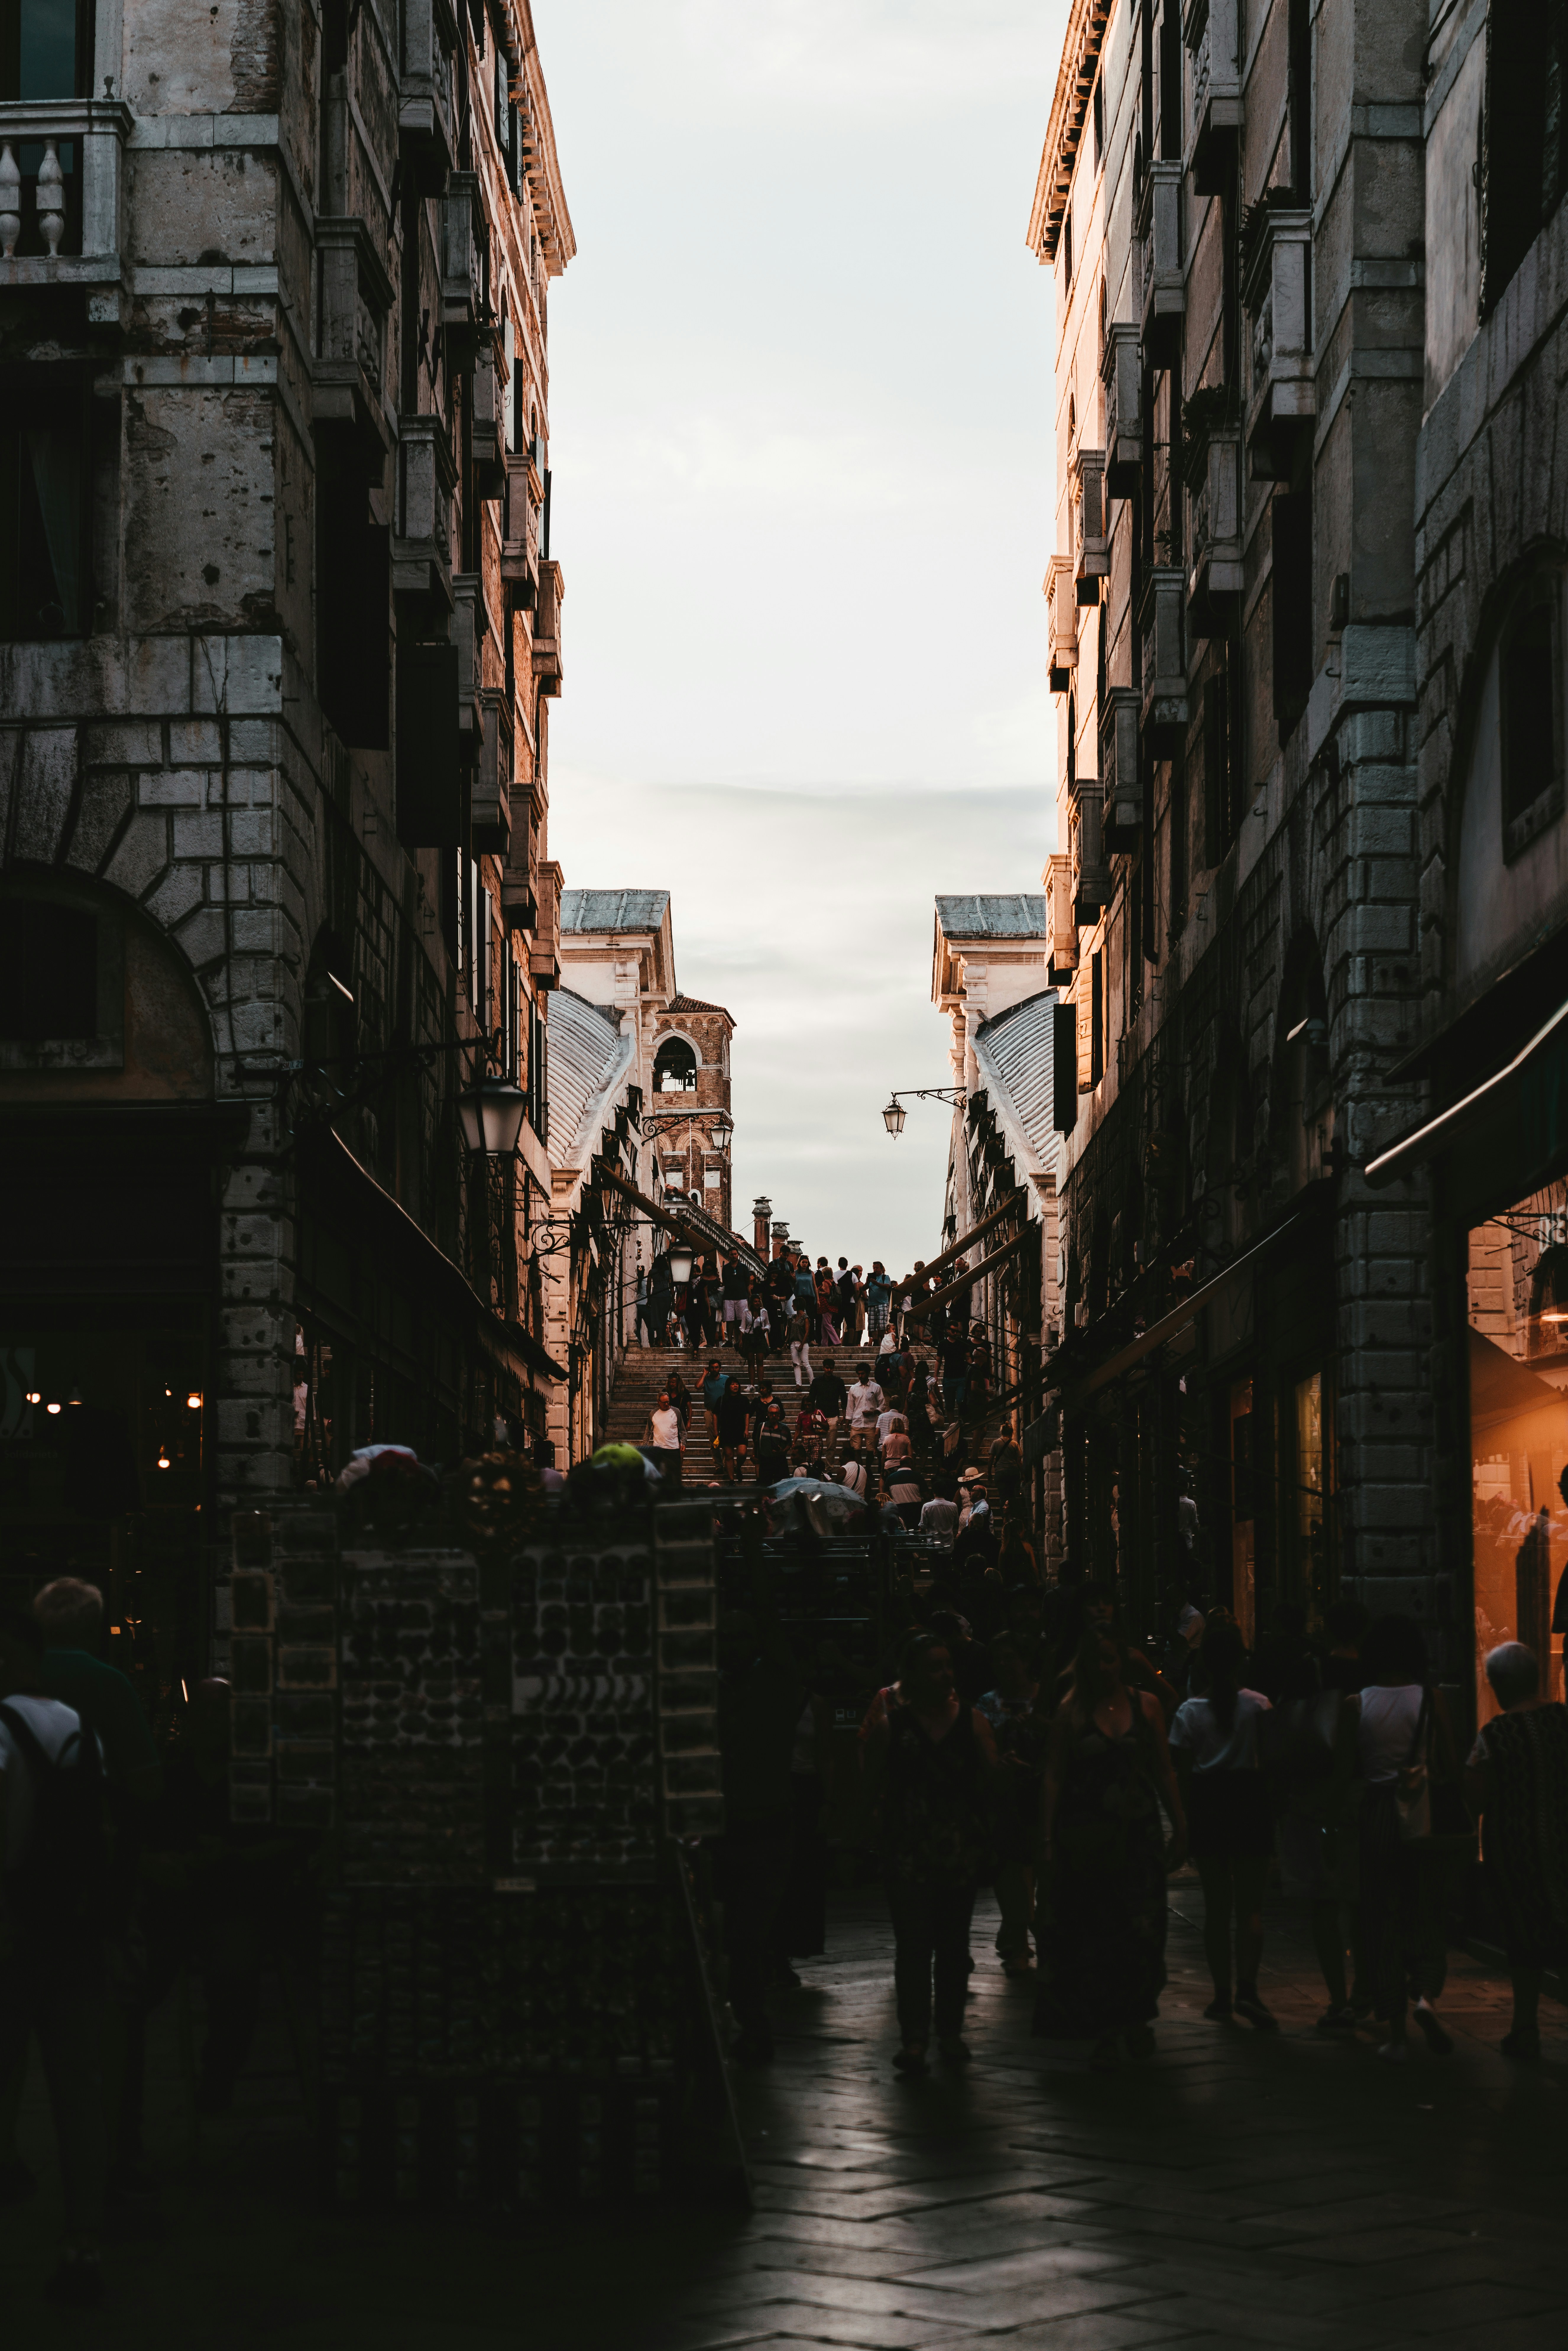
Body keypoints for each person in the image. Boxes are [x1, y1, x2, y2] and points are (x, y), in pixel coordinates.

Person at [0, 1606, 108, 2305]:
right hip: (73, 1931)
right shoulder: (76, 1723)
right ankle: (83, 2241)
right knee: (79, 2094)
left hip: (11, 1936)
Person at [1035, 1614, 1186, 2068]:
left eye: (1111, 1659)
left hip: (1138, 1837)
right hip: (1088, 1839)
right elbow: (1054, 1777)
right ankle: (1107, 2024)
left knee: (1144, 1929)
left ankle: (1136, 2014)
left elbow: (1163, 1768)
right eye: (1097, 1660)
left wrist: (1180, 1823)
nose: (1105, 1669)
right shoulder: (1071, 1712)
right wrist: (1046, 1837)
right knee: (1097, 1934)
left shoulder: (1147, 1708)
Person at [860, 1633, 999, 2073]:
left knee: (954, 1947)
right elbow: (871, 1788)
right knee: (915, 1947)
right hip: (908, 1852)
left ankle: (949, 2031)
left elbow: (991, 1786)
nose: (946, 1675)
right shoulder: (892, 1729)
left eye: (948, 1666)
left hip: (957, 1850)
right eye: (935, 1667)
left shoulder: (973, 1723)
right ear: (913, 1676)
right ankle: (916, 2036)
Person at [1353, 1612, 1462, 2061]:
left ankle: (1396, 2033)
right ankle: (1425, 1997)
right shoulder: (1432, 1700)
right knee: (1426, 1909)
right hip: (1422, 1814)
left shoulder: (1356, 1704)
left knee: (1382, 1919)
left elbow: (1347, 1775)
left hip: (1378, 1813)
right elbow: (1450, 1766)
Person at [1169, 1620, 1277, 2029]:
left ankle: (1222, 1995)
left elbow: (1182, 1776)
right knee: (1251, 1908)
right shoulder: (1260, 1705)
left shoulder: (1188, 1712)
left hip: (1210, 1805)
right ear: (1240, 1662)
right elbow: (1269, 1763)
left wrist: (1183, 1824)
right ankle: (1249, 1988)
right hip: (1249, 1802)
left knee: (1217, 1909)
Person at [1463, 1641, 1568, 2059]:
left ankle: (1525, 2028)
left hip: (1516, 1854)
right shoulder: (1564, 1720)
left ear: (1501, 1686)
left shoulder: (1494, 1734)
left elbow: (1474, 1796)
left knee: (1524, 1940)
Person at [715, 1611, 803, 2060]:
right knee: (739, 1936)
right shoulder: (734, 1690)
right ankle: (747, 2021)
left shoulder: (770, 1685)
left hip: (759, 1820)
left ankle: (751, 2023)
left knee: (745, 1936)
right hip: (735, 1821)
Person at [975, 1632, 1047, 1977]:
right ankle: (1019, 1939)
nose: (1004, 1665)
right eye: (997, 1659)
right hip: (1007, 1796)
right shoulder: (987, 1703)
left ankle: (1023, 1931)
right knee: (1013, 1873)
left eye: (1010, 1658)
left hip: (1045, 1793)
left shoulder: (1046, 1697)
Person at [807, 1356, 846, 1454]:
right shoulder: (817, 1382)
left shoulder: (839, 1382)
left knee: (831, 1446)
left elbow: (844, 1399)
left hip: (833, 1416)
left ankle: (829, 1469)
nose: (829, 1370)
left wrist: (844, 1415)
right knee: (815, 1444)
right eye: (827, 1368)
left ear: (834, 1368)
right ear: (823, 1368)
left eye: (831, 1368)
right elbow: (811, 1399)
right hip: (819, 1416)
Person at [717, 1375, 751, 1481]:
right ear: (728, 1386)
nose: (735, 1386)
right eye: (732, 1384)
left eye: (737, 1384)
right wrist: (716, 1430)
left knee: (742, 1453)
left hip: (740, 1430)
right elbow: (715, 1415)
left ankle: (738, 1467)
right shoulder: (722, 1399)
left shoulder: (744, 1399)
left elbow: (747, 1415)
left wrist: (747, 1429)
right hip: (727, 1431)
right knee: (729, 1455)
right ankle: (732, 1480)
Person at [645, 1391, 684, 1484]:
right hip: (658, 1449)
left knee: (675, 1474)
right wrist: (645, 1446)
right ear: (659, 1402)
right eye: (664, 1403)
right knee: (660, 1475)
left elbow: (682, 1430)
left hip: (673, 1449)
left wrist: (683, 1444)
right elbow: (648, 1432)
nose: (667, 1404)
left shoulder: (676, 1412)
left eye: (668, 1402)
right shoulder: (653, 1414)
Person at [989, 1421, 1024, 1516]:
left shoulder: (995, 1443)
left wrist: (989, 1473)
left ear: (1002, 1432)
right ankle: (1013, 1517)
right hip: (1014, 1473)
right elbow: (1019, 1461)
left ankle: (1004, 1518)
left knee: (1003, 1497)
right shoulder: (1015, 1444)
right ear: (1012, 1433)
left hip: (1000, 1473)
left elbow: (991, 1459)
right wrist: (1023, 1474)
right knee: (1012, 1496)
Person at [700, 1359, 730, 1461]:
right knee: (714, 1440)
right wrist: (705, 1374)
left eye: (717, 1367)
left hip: (725, 1413)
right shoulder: (707, 1380)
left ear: (720, 1368)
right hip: (711, 1412)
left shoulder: (726, 1379)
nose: (714, 1369)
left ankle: (728, 1463)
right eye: (712, 1367)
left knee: (726, 1439)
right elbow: (698, 1386)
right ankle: (718, 1465)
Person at [846, 1362, 884, 1437]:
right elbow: (850, 1409)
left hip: (871, 1425)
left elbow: (883, 1406)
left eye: (863, 1374)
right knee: (856, 1449)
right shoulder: (853, 1389)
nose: (860, 1376)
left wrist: (873, 1412)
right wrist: (847, 1427)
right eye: (859, 1374)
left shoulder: (876, 1388)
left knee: (871, 1449)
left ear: (868, 1373)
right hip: (856, 1425)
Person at [919, 1479, 960, 1549]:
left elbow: (923, 1527)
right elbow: (956, 1522)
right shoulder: (953, 1506)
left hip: (932, 1545)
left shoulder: (927, 1507)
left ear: (933, 1492)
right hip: (949, 1545)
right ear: (945, 1492)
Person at [721, 1253, 750, 1345]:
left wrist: (750, 1296)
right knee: (730, 1320)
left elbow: (748, 1283)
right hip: (729, 1297)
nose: (734, 1256)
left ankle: (740, 1340)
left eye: (735, 1254)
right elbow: (725, 1282)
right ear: (729, 1256)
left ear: (738, 1255)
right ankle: (730, 1341)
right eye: (731, 1255)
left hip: (742, 1297)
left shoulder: (744, 1268)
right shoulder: (726, 1268)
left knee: (741, 1320)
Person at [786, 1299, 813, 1389]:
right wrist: (787, 1342)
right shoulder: (794, 1318)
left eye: (794, 1304)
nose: (793, 1306)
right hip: (793, 1343)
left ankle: (812, 1384)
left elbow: (807, 1332)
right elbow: (790, 1331)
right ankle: (799, 1385)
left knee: (805, 1364)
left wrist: (802, 1344)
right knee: (796, 1364)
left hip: (803, 1343)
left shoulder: (805, 1318)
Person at [866, 1261, 893, 1345]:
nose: (875, 1270)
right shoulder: (872, 1279)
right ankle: (876, 1342)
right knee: (872, 1326)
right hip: (872, 1305)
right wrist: (868, 1282)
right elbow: (863, 1288)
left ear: (881, 1269)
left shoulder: (885, 1277)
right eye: (874, 1268)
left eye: (877, 1268)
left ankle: (883, 1341)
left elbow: (887, 1287)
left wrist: (875, 1283)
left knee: (882, 1325)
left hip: (882, 1304)